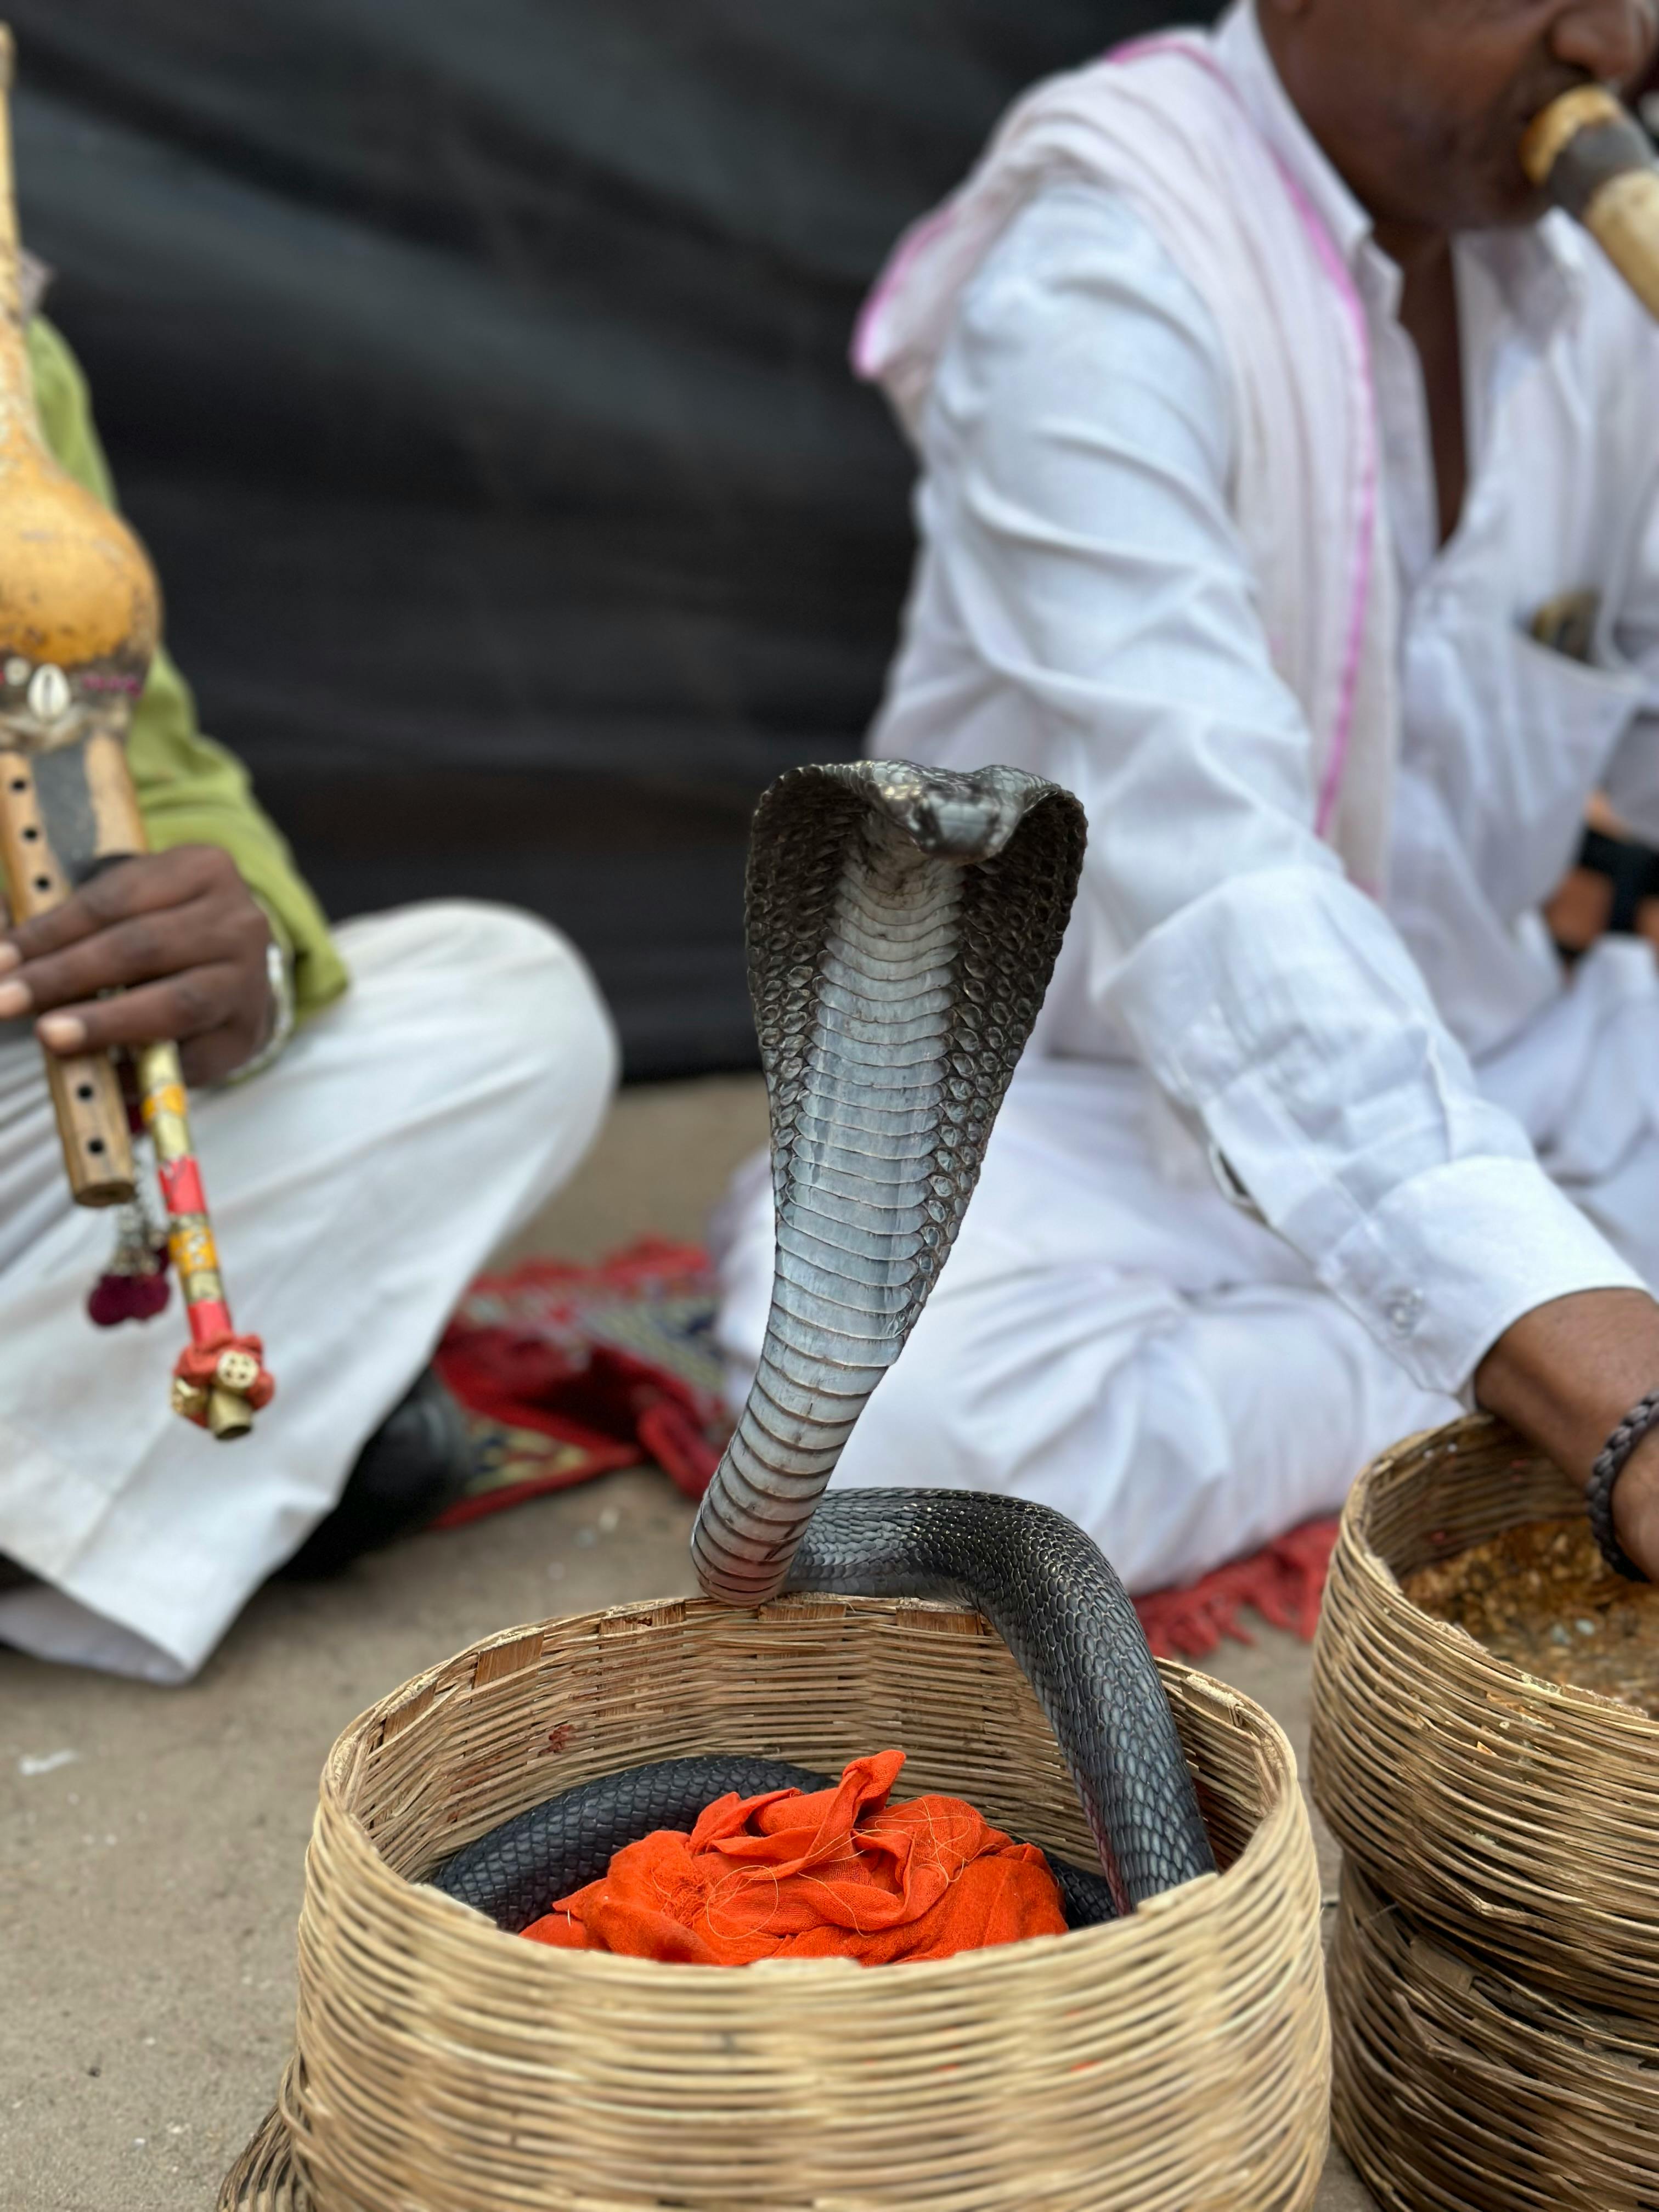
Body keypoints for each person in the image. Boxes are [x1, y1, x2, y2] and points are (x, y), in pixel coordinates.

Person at [715, 0, 1659, 1593]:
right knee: (916, 1447)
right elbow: (1222, 887)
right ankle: (1521, 1344)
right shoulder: (1097, 283)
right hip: (1106, 1129)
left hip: (1518, 1066)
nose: (1611, 36)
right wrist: (1595, 1360)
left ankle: (1490, 1323)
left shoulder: (1597, 294)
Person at [0, 278, 617, 1682]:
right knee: (373, 1441)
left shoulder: (7, 357)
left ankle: (78, 1468)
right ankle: (111, 1475)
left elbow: (140, 757)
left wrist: (240, 964)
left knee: (513, 1002)